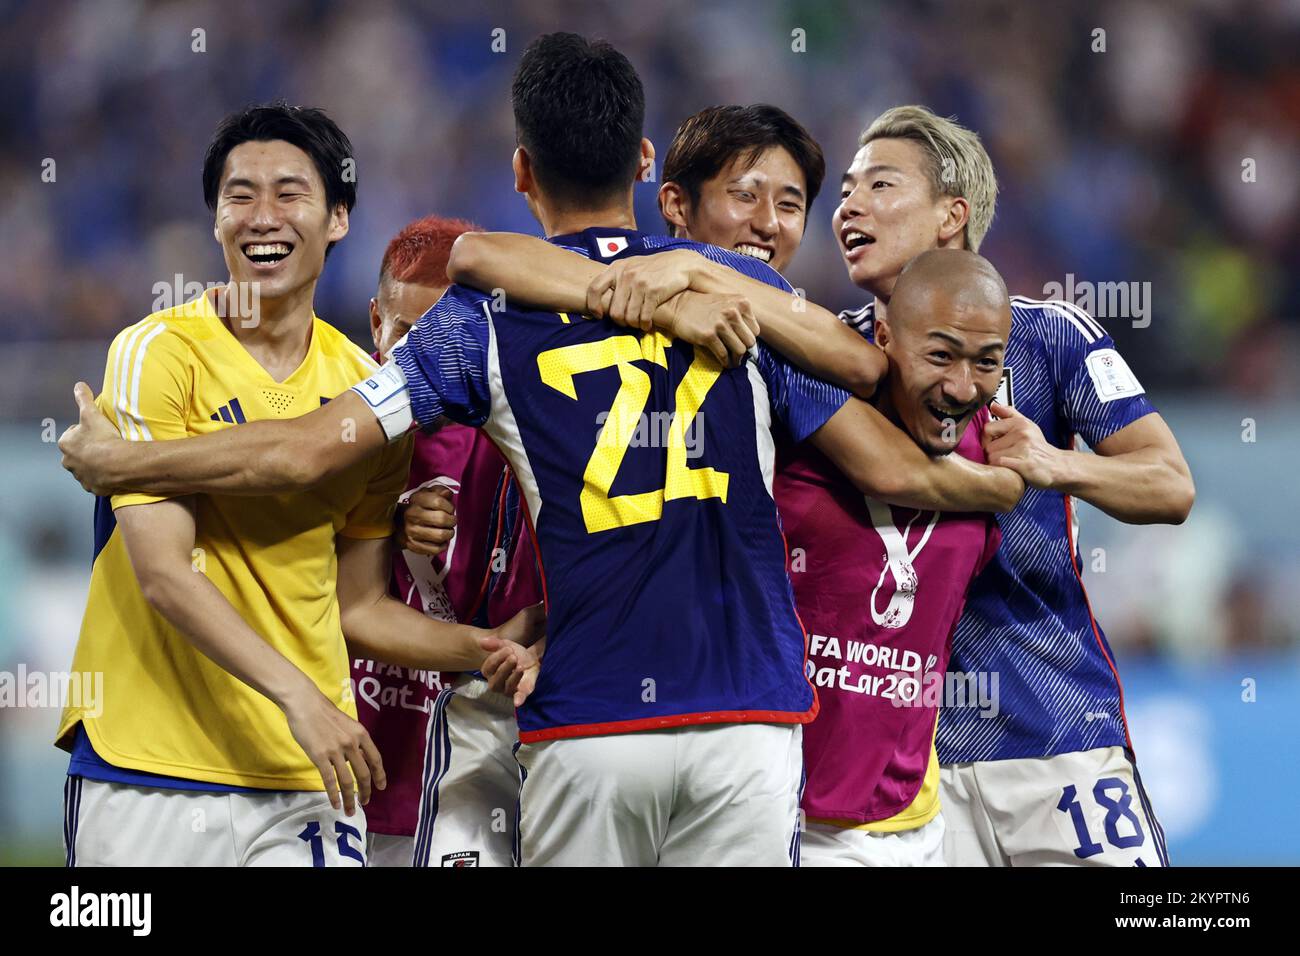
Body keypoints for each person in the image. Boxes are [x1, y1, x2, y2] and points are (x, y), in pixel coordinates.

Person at [58, 36, 1022, 866]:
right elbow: (867, 375)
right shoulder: (737, 290)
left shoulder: (480, 317)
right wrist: (1030, 472)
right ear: (646, 163)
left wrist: (127, 464)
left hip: (593, 718)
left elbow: (304, 453)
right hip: (751, 722)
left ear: (521, 172)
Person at [55, 104, 538, 868]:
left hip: (307, 777)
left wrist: (480, 648)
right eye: (239, 196)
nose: (263, 217)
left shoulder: (364, 390)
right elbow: (162, 574)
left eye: (290, 193)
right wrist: (302, 701)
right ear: (214, 220)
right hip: (149, 766)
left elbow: (358, 605)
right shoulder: (157, 352)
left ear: (338, 218)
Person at [834, 106, 1193, 867]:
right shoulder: (825, 357)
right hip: (901, 768)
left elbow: (1170, 484)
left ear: (951, 216)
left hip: (1057, 737)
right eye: (844, 189)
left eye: (880, 184)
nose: (849, 205)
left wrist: (1057, 465)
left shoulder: (1051, 336)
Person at [351, 214, 543, 867]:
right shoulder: (339, 428)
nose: (424, 361)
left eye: (445, 337)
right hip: (343, 771)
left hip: (469, 781)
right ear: (375, 321)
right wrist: (385, 524)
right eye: (406, 333)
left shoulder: (520, 442)